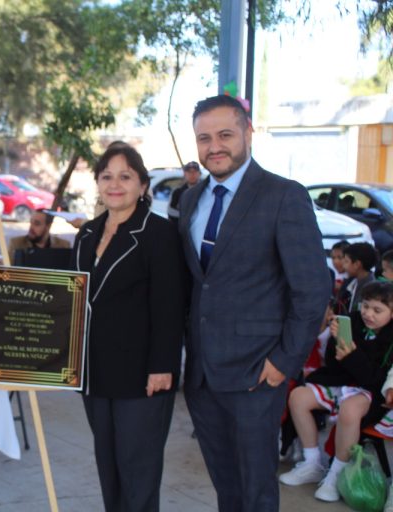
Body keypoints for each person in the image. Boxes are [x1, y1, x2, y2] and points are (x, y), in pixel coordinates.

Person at [177, 94, 329, 512]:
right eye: (204, 138)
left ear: (248, 133)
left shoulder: (284, 196)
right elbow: (199, 286)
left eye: (225, 134)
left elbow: (313, 289)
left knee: (257, 491)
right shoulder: (191, 199)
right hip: (204, 375)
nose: (214, 146)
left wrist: (283, 362)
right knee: (227, 488)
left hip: (258, 373)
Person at [71, 143, 185, 511]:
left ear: (142, 184)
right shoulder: (87, 233)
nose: (115, 184)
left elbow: (169, 306)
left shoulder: (159, 233)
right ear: (98, 183)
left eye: (125, 176)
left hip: (142, 375)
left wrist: (163, 366)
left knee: (139, 470)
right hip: (95, 372)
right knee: (109, 466)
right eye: (107, 176)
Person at [279, 281, 393, 502]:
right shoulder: (351, 321)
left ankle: (336, 475)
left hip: (374, 391)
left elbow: (376, 379)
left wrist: (352, 356)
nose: (368, 314)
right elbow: (333, 365)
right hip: (344, 381)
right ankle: (312, 461)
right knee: (298, 396)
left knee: (350, 410)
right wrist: (336, 341)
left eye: (377, 310)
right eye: (365, 306)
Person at [338, 242, 377, 314]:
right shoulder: (352, 281)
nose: (343, 265)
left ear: (357, 264)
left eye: (346, 261)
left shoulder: (370, 289)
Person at [167, 160, 202, 224]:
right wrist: (186, 216)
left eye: (194, 172)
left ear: (199, 174)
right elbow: (171, 211)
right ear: (185, 174)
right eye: (189, 172)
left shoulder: (206, 190)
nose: (192, 174)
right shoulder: (177, 192)